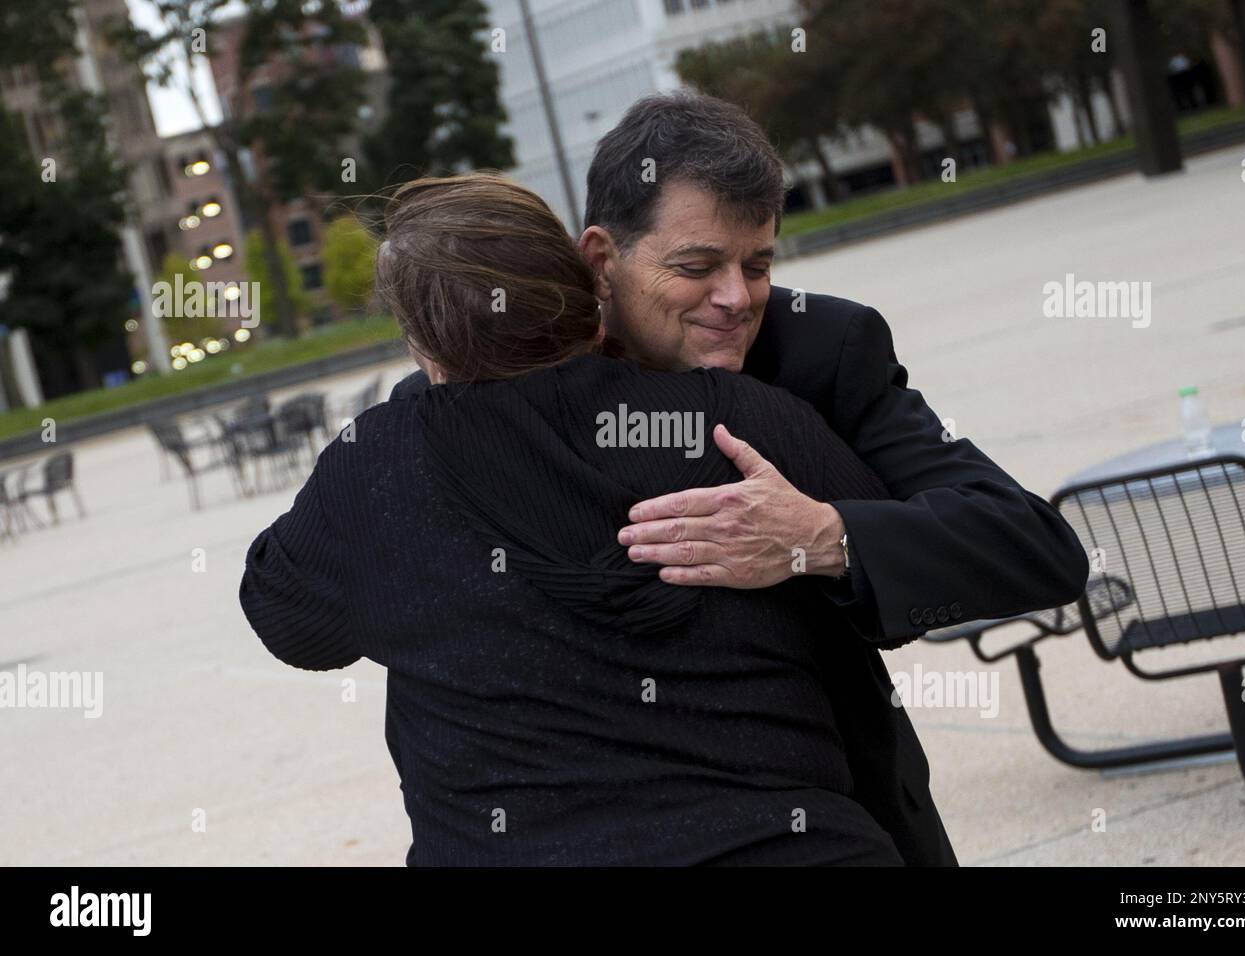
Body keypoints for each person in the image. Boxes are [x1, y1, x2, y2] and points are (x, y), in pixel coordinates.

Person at [387, 93, 1092, 863]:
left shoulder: (822, 349)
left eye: (757, 264)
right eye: (696, 267)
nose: (736, 298)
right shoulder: (472, 392)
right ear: (601, 258)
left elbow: (1033, 546)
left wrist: (823, 539)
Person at [240, 172, 952, 865]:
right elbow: (893, 581)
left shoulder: (377, 465)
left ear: (422, 341)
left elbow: (290, 622)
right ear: (583, 288)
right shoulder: (736, 420)